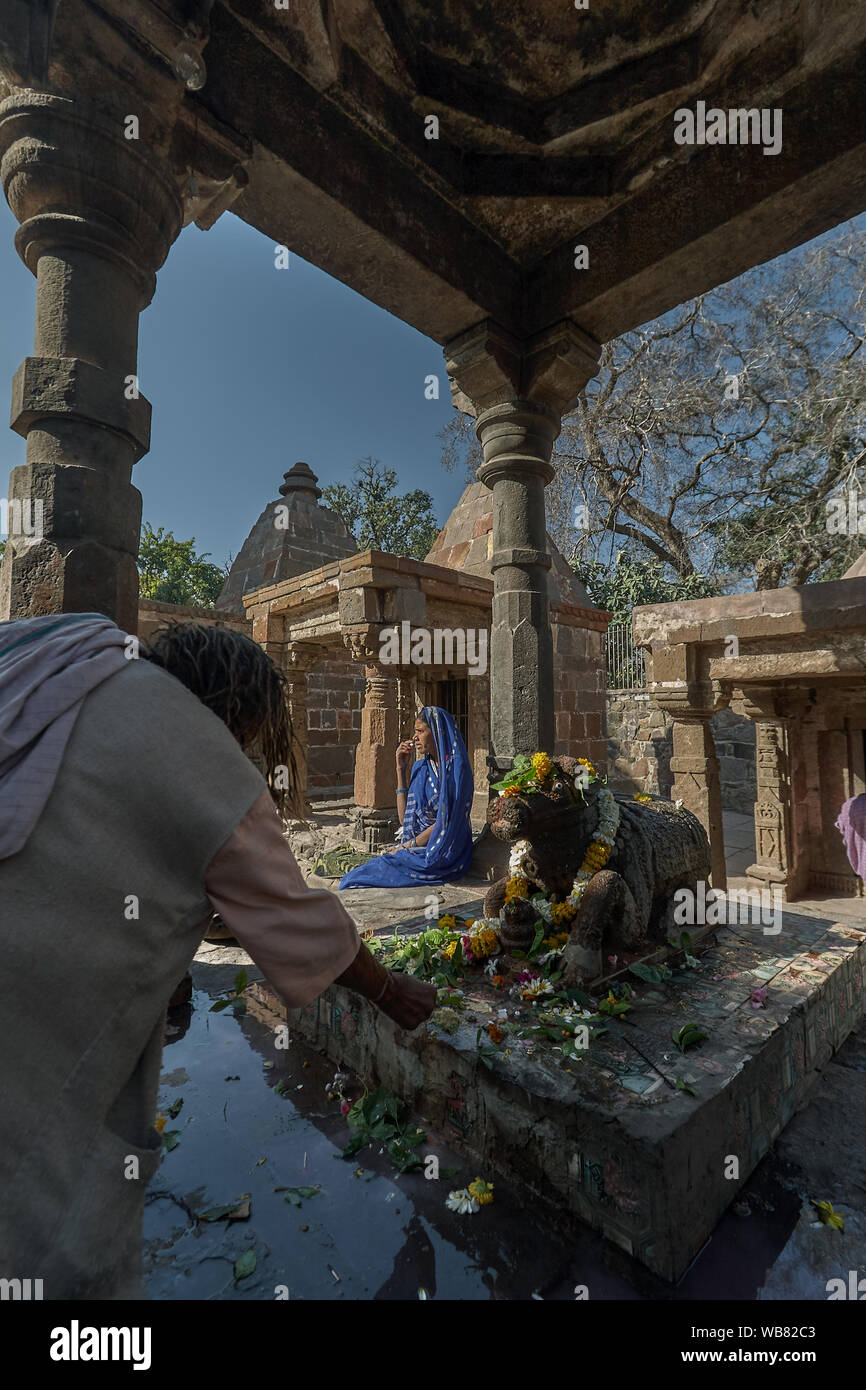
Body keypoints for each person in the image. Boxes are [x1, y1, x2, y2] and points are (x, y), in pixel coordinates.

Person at [0, 613, 435, 1299]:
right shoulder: (199, 748)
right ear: (238, 708)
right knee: (51, 1225)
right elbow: (299, 919)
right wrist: (392, 994)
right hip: (33, 1038)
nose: (249, 749)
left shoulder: (64, 664)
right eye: (253, 733)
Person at [339, 705, 474, 889]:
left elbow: (447, 822)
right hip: (419, 845)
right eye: (414, 732)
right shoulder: (421, 768)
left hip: (447, 850)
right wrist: (400, 770)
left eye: (420, 731)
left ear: (437, 732)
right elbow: (404, 820)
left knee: (370, 873)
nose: (414, 737)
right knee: (362, 873)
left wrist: (407, 846)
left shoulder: (456, 771)